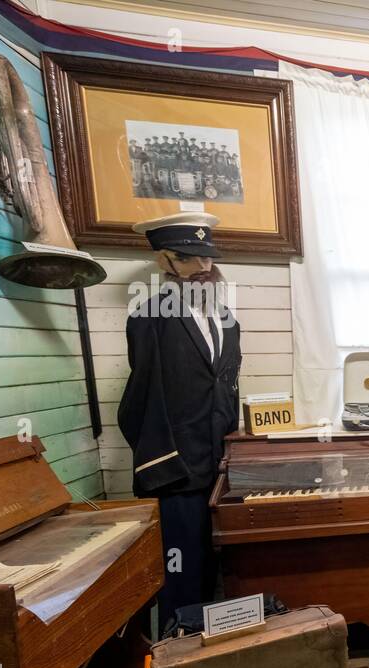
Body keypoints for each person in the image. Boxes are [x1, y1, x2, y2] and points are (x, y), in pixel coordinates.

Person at [117, 213, 241, 626]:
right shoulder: (148, 318)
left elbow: (227, 388)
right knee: (180, 574)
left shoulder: (229, 320)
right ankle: (177, 654)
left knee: (218, 571)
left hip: (221, 468)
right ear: (164, 262)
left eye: (207, 257)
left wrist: (234, 455)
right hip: (178, 472)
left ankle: (216, 655)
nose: (203, 268)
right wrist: (162, 464)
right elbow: (140, 401)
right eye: (189, 258)